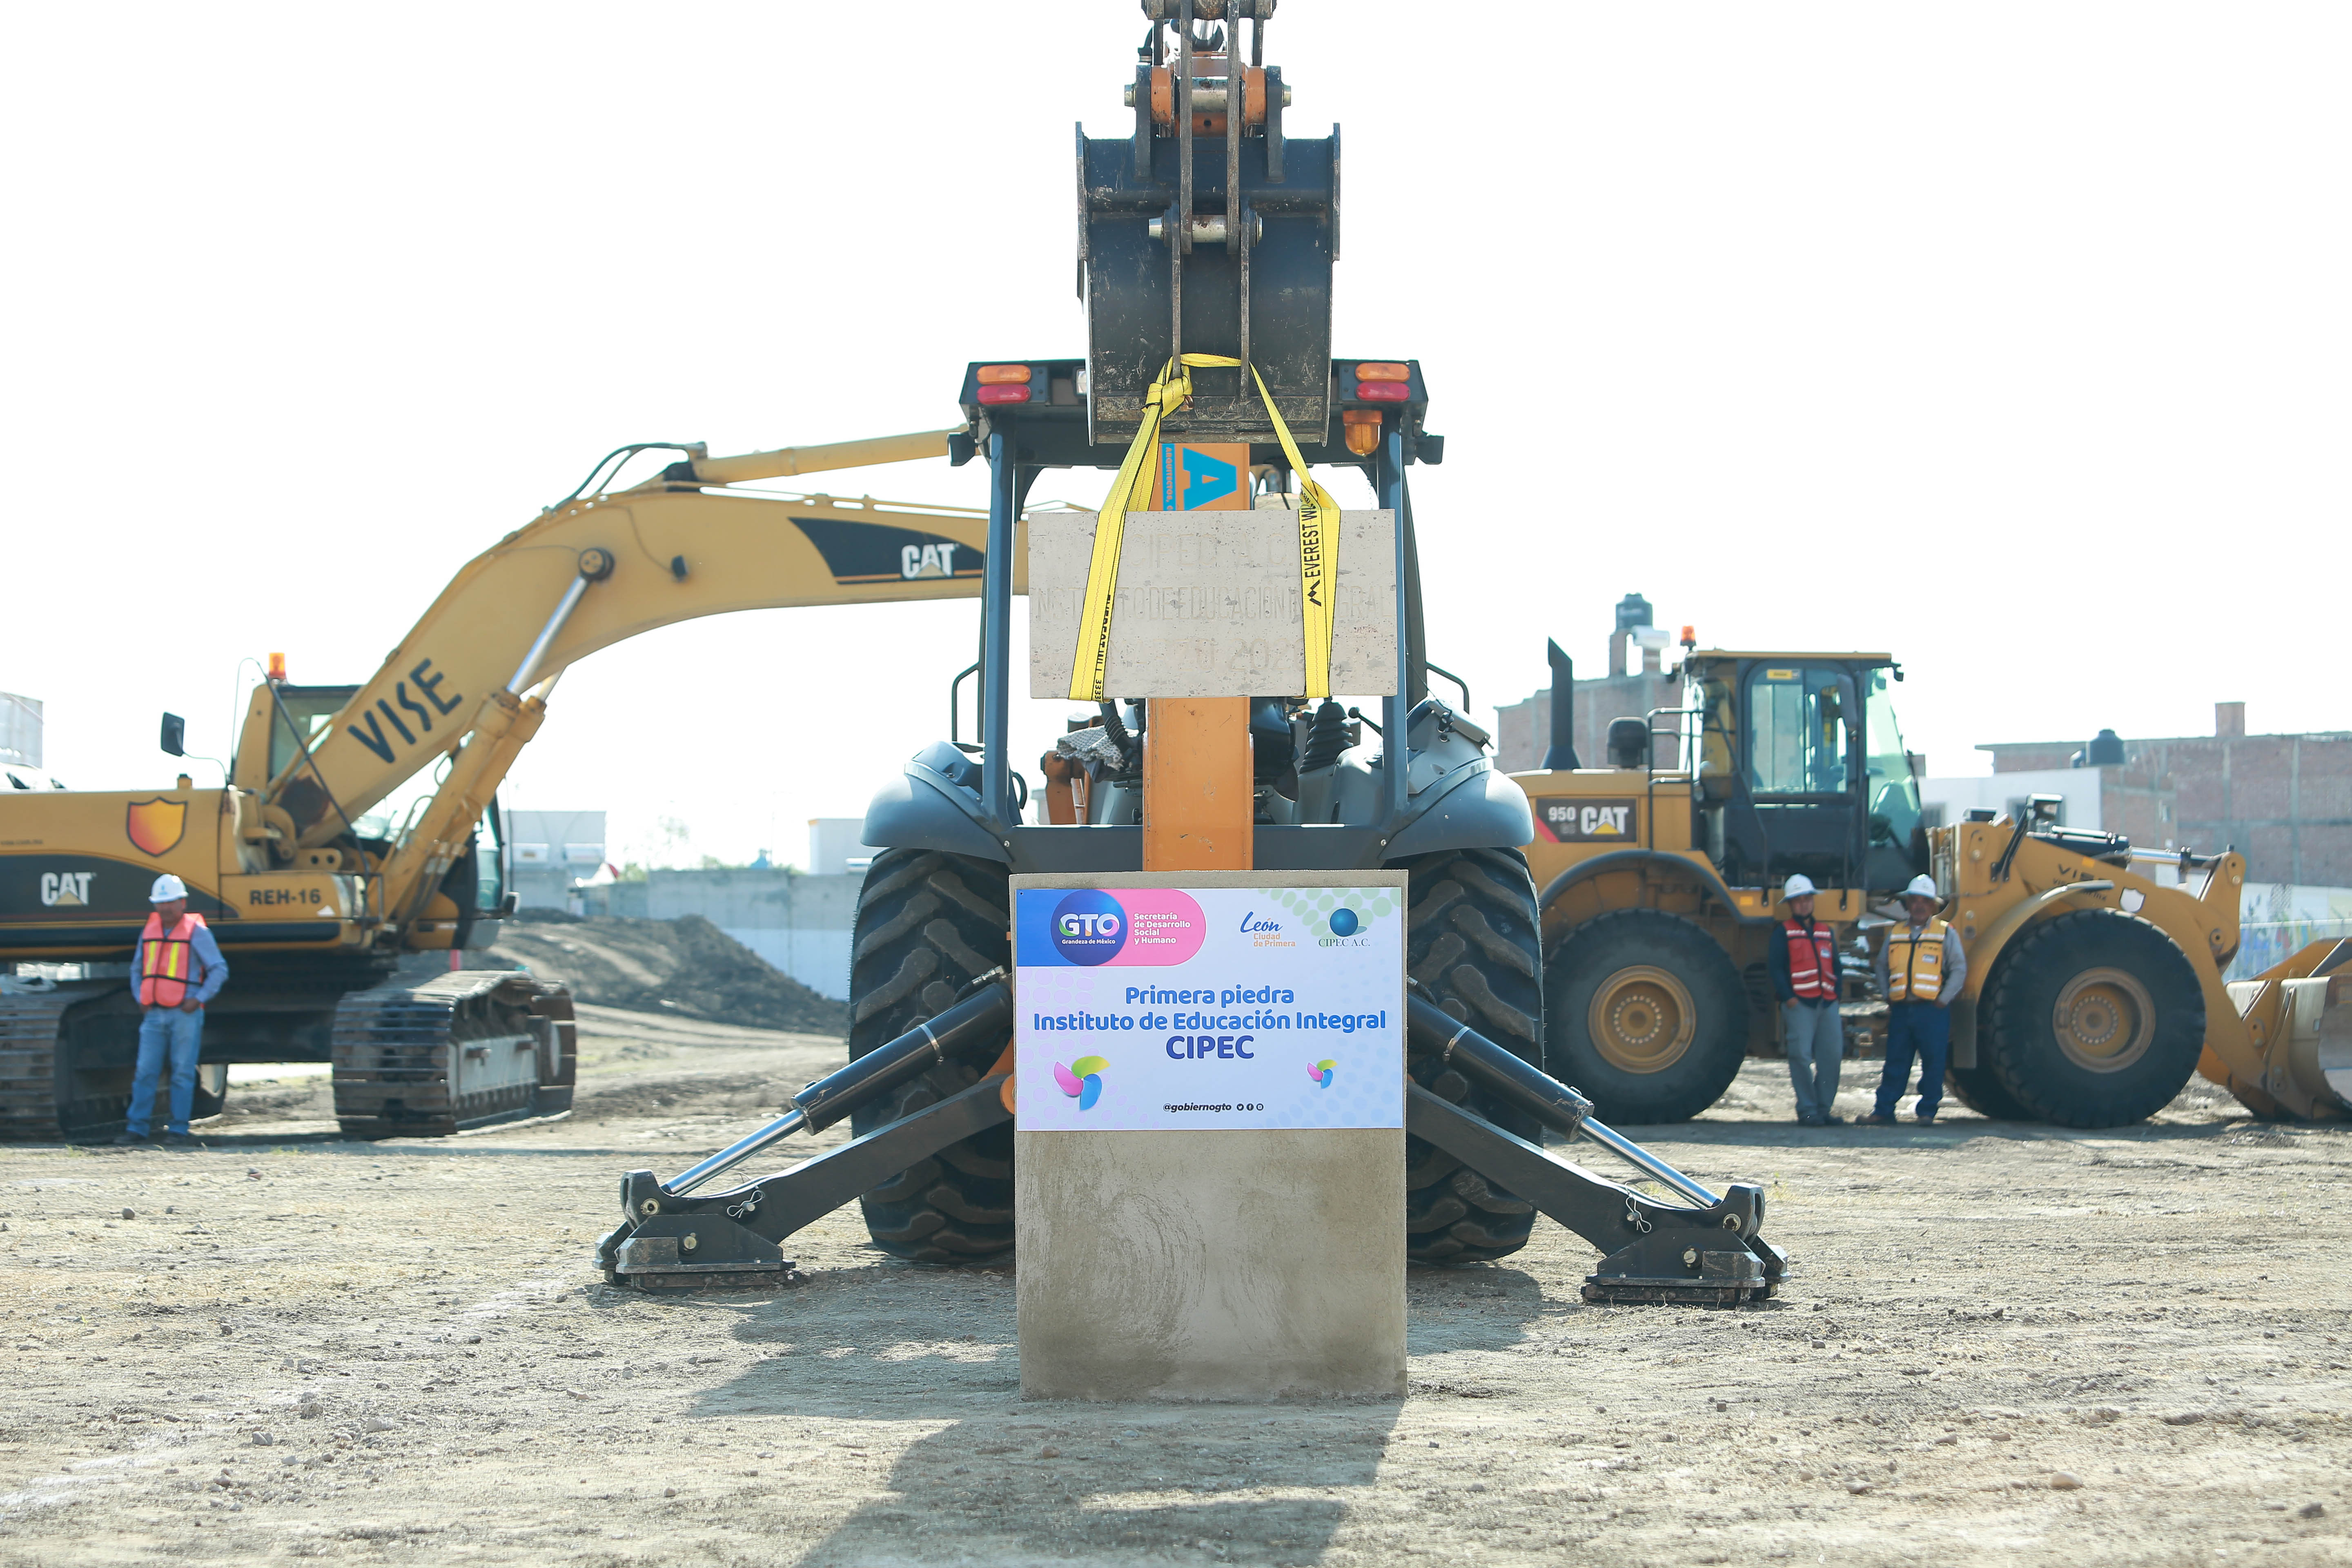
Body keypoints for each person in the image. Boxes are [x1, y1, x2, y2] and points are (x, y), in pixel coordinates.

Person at [115, 874, 228, 1148]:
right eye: (160, 903)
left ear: (182, 902)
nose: (165, 908)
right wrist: (140, 996)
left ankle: (178, 1130)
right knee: (145, 1072)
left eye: (170, 902)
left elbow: (219, 969)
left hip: (185, 1014)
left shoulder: (197, 932)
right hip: (154, 1014)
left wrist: (198, 998)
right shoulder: (150, 930)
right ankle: (137, 1129)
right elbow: (136, 968)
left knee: (182, 1073)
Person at [1865, 873, 1965, 1126]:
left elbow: (1959, 969)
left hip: (1933, 1011)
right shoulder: (1896, 932)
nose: (1919, 906)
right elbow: (1882, 966)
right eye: (1915, 901)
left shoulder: (1945, 933)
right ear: (1907, 904)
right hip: (1902, 1009)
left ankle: (1927, 1112)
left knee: (1933, 1063)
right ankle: (1884, 1110)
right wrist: (1888, 995)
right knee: (1895, 1063)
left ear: (1933, 906)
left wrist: (1943, 1000)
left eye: (1925, 901)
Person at [1768, 873, 1844, 1126]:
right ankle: (1808, 1110)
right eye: (1798, 900)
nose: (1804, 904)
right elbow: (1776, 968)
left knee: (1831, 1057)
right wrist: (1789, 998)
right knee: (1800, 1056)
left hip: (1827, 1003)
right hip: (1800, 1004)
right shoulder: (1784, 933)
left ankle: (1823, 1110)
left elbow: (1837, 967)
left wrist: (1837, 996)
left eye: (1807, 899)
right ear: (1790, 904)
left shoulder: (1825, 932)